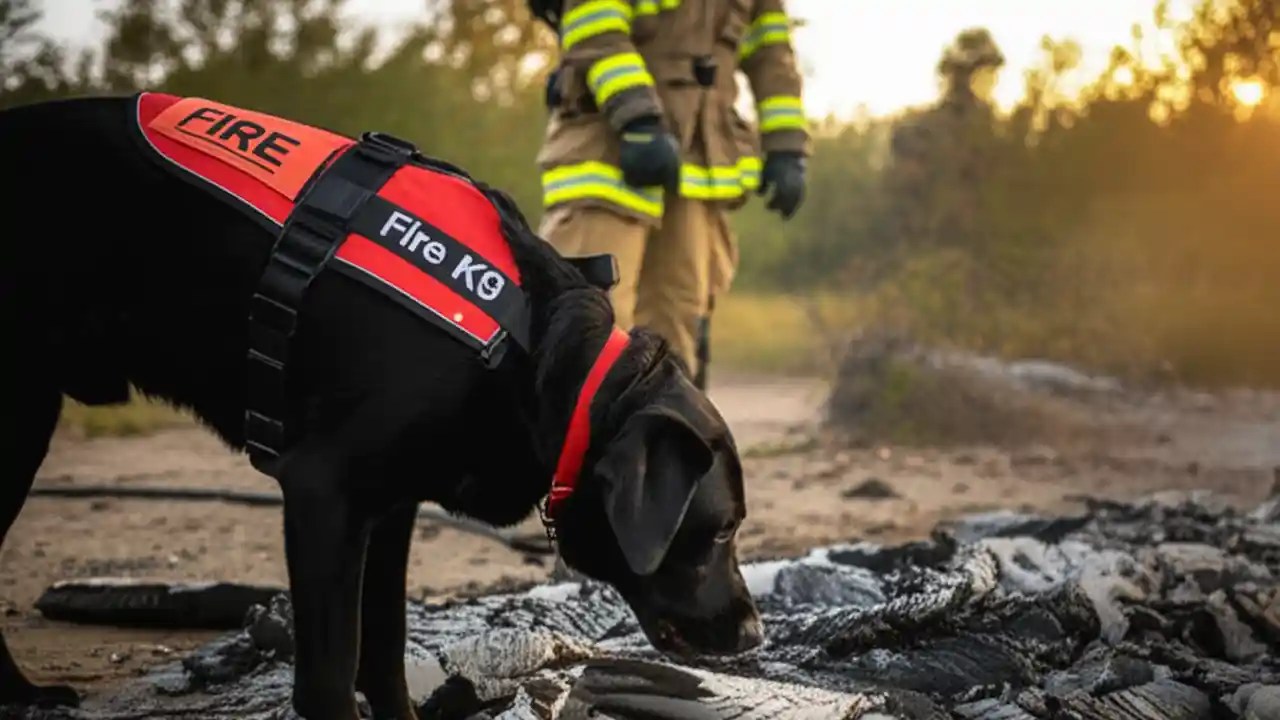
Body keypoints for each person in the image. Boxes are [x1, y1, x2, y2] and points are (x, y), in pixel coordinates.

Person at [535, 0, 809, 388]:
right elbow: (594, 20)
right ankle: (572, 444)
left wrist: (787, 144)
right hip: (606, 153)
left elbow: (770, 50)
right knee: (588, 322)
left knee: (676, 333)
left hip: (699, 162)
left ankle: (663, 444)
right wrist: (636, 116)